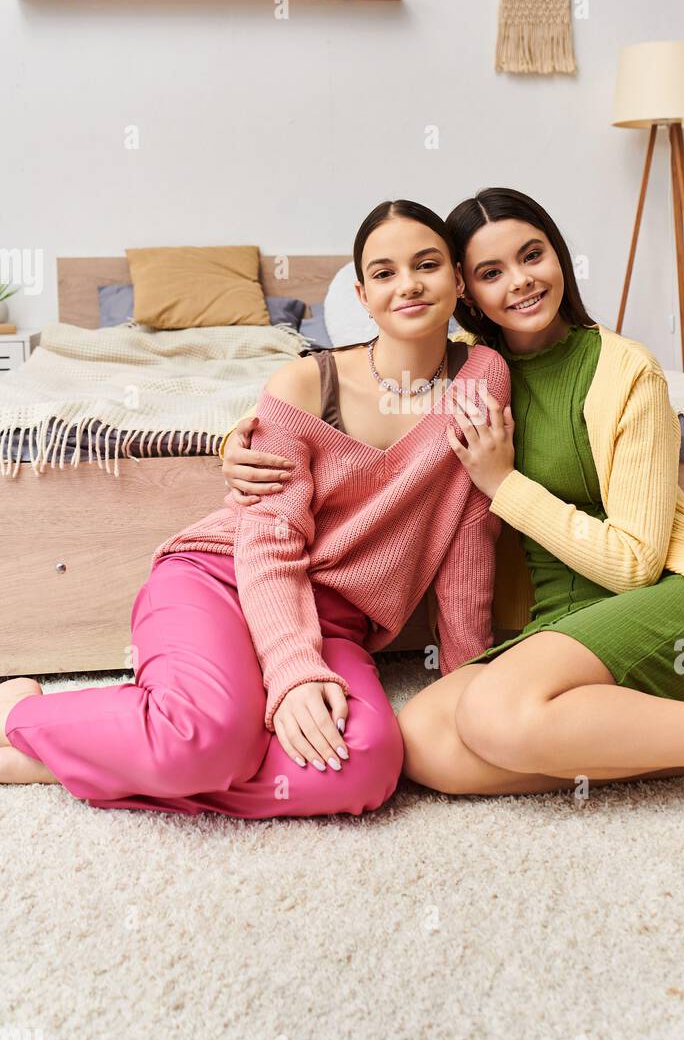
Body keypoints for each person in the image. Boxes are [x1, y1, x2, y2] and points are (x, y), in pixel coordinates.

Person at [225, 187, 684, 806]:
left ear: (558, 256)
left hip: (660, 599)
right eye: (491, 271)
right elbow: (358, 402)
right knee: (422, 743)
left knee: (495, 712)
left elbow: (638, 561)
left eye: (532, 256)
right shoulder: (472, 372)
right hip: (556, 625)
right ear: (465, 291)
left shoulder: (626, 370)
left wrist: (503, 484)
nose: (520, 282)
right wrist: (244, 437)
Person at [0, 201, 510, 818]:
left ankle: (102, 754)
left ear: (458, 279)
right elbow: (267, 542)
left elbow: (470, 529)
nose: (407, 284)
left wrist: (465, 682)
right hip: (225, 579)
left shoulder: (483, 376)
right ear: (362, 295)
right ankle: (26, 714)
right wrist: (294, 672)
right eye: (384, 273)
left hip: (336, 625)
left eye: (426, 265)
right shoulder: (301, 382)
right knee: (208, 740)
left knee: (369, 766)